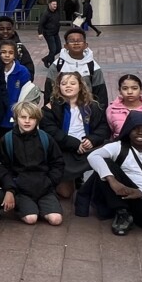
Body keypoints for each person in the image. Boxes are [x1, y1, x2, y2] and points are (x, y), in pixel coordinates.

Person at [89, 110, 142, 236]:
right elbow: (93, 156)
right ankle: (122, 212)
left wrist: (141, 193)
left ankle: (133, 214)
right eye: (135, 129)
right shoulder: (119, 146)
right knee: (104, 162)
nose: (140, 133)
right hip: (121, 189)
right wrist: (112, 180)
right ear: (128, 130)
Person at [46, 71, 110, 216]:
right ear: (58, 87)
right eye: (64, 84)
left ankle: (90, 188)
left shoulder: (93, 106)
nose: (68, 86)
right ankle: (73, 179)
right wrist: (75, 144)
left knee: (106, 160)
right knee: (65, 193)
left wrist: (92, 139)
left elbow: (103, 128)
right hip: (65, 150)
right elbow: (51, 131)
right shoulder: (51, 108)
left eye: (72, 83)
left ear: (80, 86)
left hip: (88, 148)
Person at [0, 102, 64, 225]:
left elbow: (57, 162)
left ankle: (42, 207)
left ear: (37, 120)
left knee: (56, 220)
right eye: (23, 117)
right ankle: (27, 208)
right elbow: (2, 167)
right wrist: (11, 188)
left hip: (44, 188)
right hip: (21, 190)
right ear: (16, 118)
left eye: (32, 118)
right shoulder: (7, 139)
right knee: (31, 218)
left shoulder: (45, 138)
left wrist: (50, 181)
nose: (27, 121)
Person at [44, 28, 107, 104]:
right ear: (66, 46)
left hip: (87, 110)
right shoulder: (57, 66)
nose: (76, 43)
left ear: (85, 45)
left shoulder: (93, 66)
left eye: (79, 40)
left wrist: (98, 113)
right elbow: (48, 92)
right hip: (62, 111)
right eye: (72, 41)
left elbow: (101, 95)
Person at [0, 41, 37, 130]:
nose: (7, 55)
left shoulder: (22, 71)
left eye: (10, 52)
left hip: (15, 113)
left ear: (15, 55)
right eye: (3, 52)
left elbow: (26, 94)